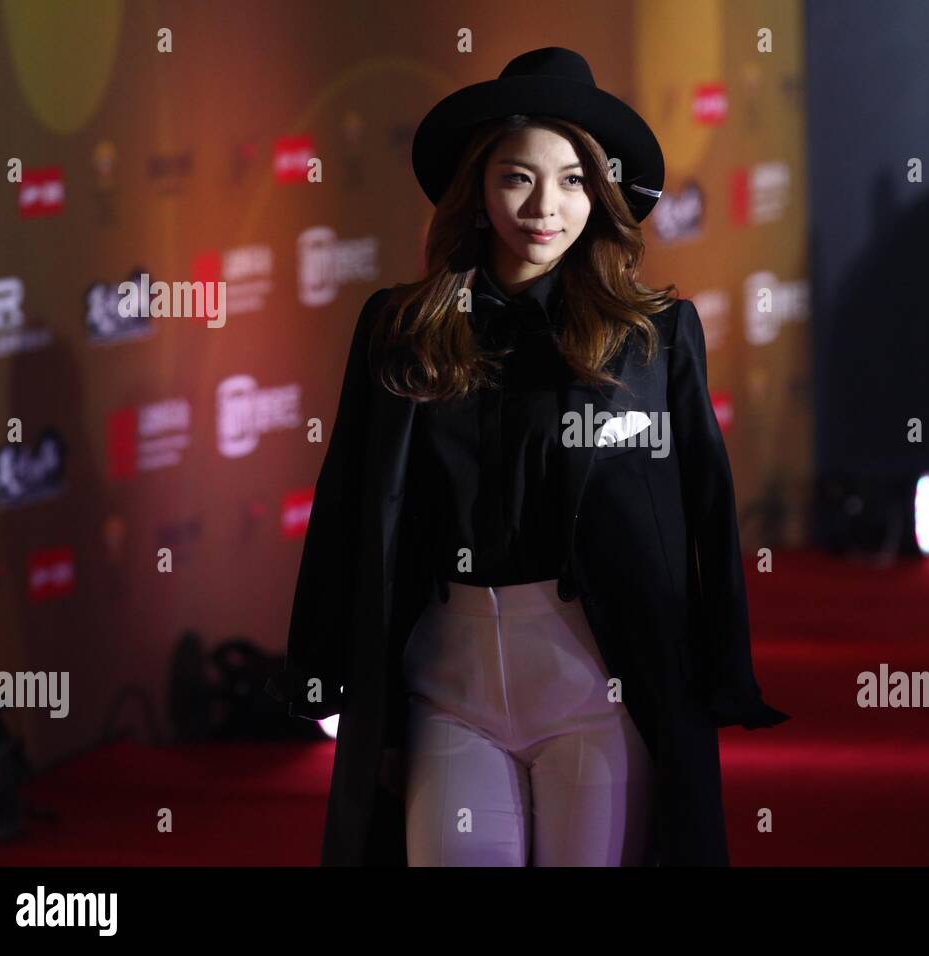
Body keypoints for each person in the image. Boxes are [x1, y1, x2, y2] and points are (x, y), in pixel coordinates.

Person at [268, 46, 790, 868]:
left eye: (576, 179)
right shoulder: (399, 328)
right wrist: (321, 673)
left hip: (597, 685)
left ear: (602, 193)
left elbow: (708, 506)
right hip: (446, 684)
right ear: (477, 188)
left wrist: (724, 671)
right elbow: (347, 506)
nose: (547, 205)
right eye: (518, 177)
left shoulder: (652, 335)